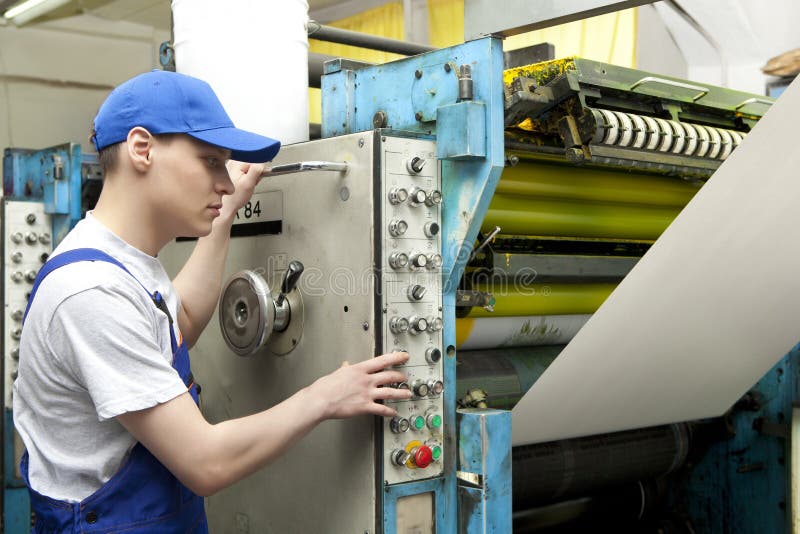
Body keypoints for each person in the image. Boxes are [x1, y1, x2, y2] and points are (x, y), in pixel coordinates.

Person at [13, 70, 411, 533]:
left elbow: (178, 321)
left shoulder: (126, 261)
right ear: (142, 149)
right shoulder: (92, 291)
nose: (224, 182)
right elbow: (204, 462)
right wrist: (326, 396)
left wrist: (224, 219)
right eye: (210, 161)